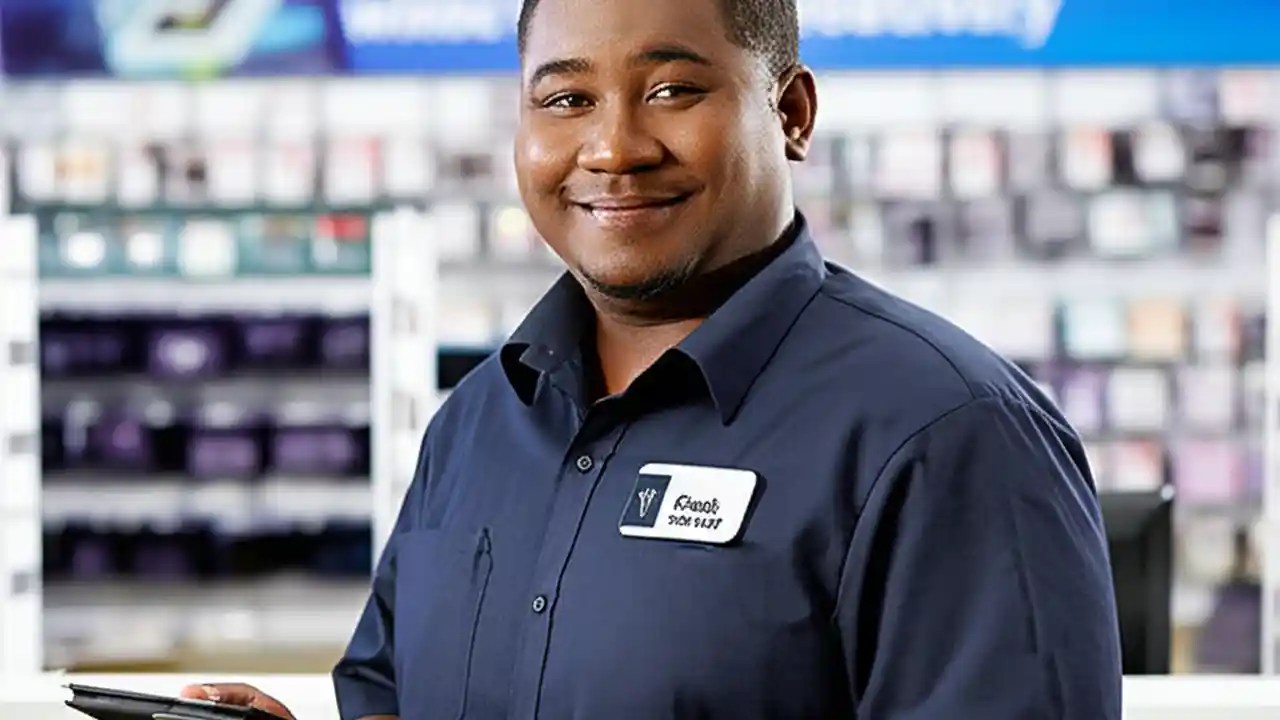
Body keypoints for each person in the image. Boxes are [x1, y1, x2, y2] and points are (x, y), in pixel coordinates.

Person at [183, 0, 1123, 717]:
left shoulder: (949, 433)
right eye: (566, 100)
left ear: (791, 113)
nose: (613, 149)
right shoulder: (476, 421)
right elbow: (391, 695)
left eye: (672, 90)